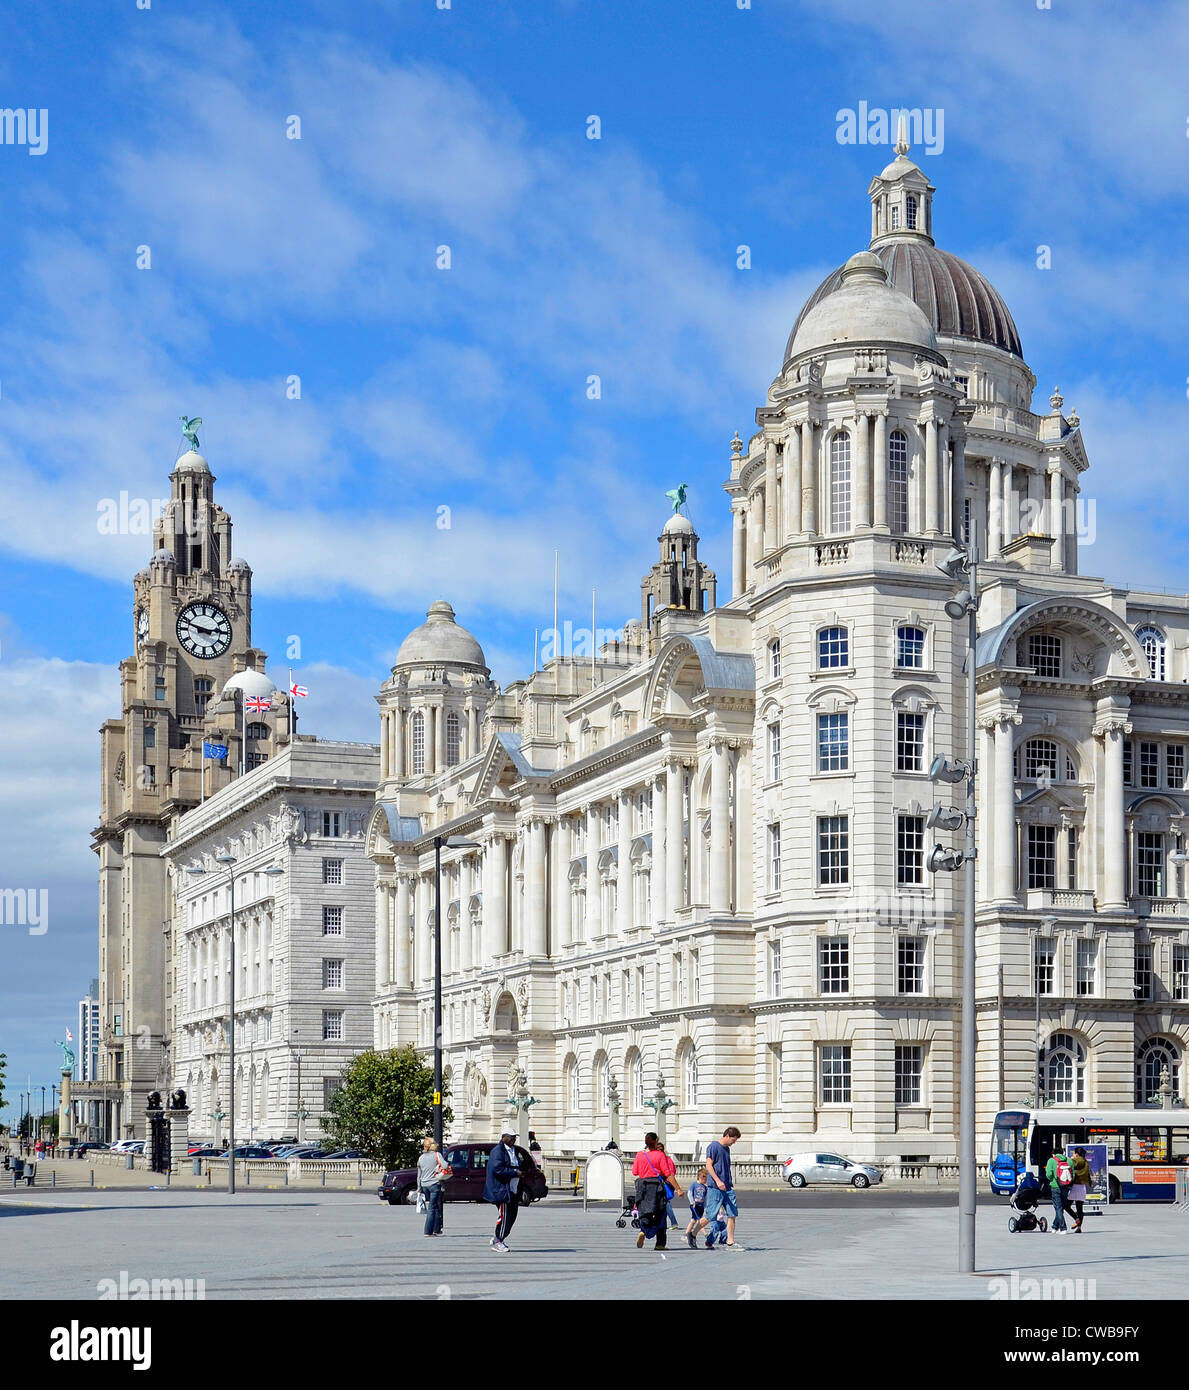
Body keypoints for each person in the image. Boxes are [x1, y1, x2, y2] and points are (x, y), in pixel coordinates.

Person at [631, 1132, 683, 1251]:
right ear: (655, 1141)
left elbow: (635, 1172)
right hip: (657, 1187)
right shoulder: (660, 1155)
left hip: (643, 1187)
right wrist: (678, 1189)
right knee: (661, 1214)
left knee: (644, 1212)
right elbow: (667, 1174)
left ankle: (643, 1231)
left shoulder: (640, 1155)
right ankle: (660, 1244)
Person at [483, 1124, 524, 1253]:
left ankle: (498, 1237)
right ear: (504, 1138)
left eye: (514, 1138)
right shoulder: (498, 1151)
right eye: (511, 1137)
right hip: (501, 1189)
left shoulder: (512, 1150)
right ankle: (498, 1241)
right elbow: (497, 1169)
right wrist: (514, 1173)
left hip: (512, 1189)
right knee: (505, 1215)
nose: (513, 1140)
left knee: (512, 1215)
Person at [703, 1126, 743, 1249]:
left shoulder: (727, 1149)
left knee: (732, 1213)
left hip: (727, 1186)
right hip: (716, 1186)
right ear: (727, 1136)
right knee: (711, 1215)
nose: (734, 1143)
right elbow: (708, 1166)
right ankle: (691, 1233)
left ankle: (730, 1241)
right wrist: (718, 1180)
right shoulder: (713, 1147)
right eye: (733, 1140)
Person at [416, 1137, 451, 1238]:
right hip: (434, 1184)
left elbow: (419, 1174)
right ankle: (427, 1231)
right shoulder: (437, 1155)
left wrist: (419, 1187)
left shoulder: (421, 1157)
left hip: (424, 1185)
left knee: (434, 1206)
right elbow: (445, 1166)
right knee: (432, 1208)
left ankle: (436, 1229)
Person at [1044, 1144, 1073, 1233]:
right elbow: (1073, 1174)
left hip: (1055, 1186)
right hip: (1066, 1186)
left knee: (1058, 1208)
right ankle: (1054, 1226)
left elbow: (1048, 1174)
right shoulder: (1069, 1160)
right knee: (1061, 1207)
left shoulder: (1051, 1161)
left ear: (1053, 1154)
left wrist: (1052, 1179)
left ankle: (1063, 1228)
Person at [1068, 1147, 1091, 1232]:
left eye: (1074, 1153)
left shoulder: (1075, 1161)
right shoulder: (1086, 1162)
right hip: (1082, 1186)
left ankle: (1076, 1219)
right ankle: (1079, 1227)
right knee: (1079, 1208)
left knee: (1066, 1206)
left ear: (1076, 1154)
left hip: (1075, 1186)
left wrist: (1071, 1159)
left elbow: (1070, 1166)